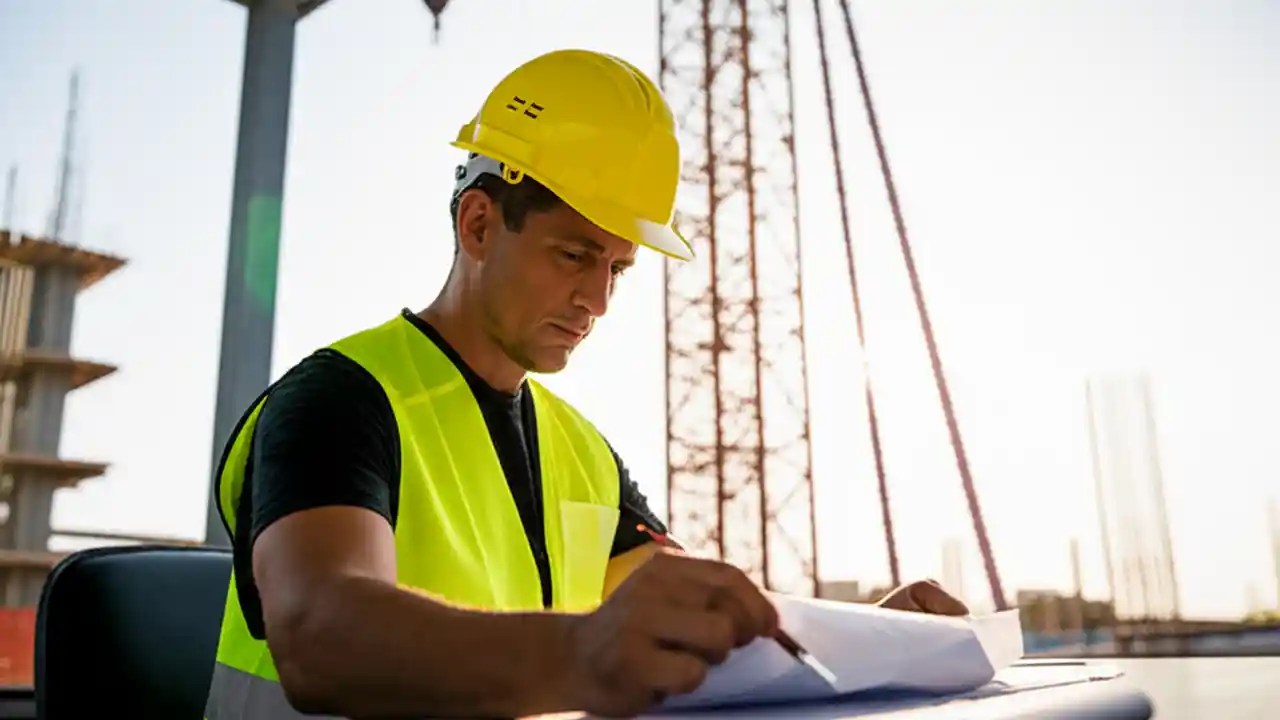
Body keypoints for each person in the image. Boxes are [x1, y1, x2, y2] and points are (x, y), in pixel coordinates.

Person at [203, 48, 967, 720]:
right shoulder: (338, 399)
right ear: (477, 224)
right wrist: (582, 654)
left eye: (618, 270)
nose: (598, 300)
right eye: (574, 255)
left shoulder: (582, 452)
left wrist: (865, 641)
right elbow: (318, 635)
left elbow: (694, 627)